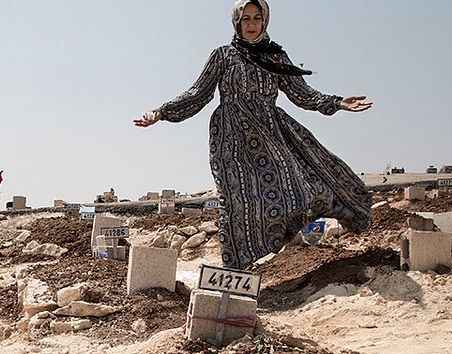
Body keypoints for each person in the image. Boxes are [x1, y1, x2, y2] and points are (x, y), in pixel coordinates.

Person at [134, 0, 373, 270]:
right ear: (236, 21)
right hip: (231, 139)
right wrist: (161, 112)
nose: (250, 24)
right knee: (236, 201)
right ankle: (234, 267)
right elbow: (198, 93)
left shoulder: (276, 57)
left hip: (270, 136)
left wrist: (337, 102)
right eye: (245, 18)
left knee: (300, 187)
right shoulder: (222, 56)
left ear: (265, 21)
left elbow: (301, 94)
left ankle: (293, 234)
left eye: (256, 18)